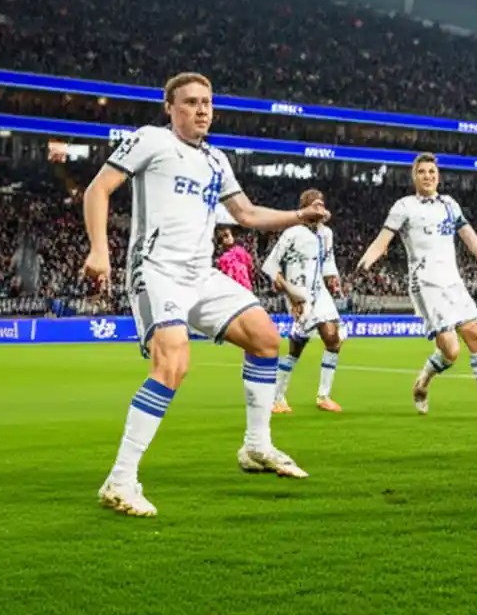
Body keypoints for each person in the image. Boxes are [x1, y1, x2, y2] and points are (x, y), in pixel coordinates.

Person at [83, 72, 326, 518]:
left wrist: (298, 216)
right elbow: (98, 189)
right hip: (157, 270)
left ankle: (256, 445)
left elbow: (245, 214)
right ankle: (120, 479)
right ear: (170, 108)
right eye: (191, 102)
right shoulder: (151, 140)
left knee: (265, 338)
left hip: (200, 274)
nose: (201, 110)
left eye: (207, 103)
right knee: (173, 363)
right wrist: (100, 250)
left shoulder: (216, 160)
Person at [357, 153, 477, 418]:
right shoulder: (404, 206)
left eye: (432, 172)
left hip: (453, 281)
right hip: (426, 284)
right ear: (414, 177)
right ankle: (424, 380)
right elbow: (382, 240)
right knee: (451, 351)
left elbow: (468, 235)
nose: (428, 176)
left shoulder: (449, 204)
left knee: (475, 335)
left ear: (438, 176)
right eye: (422, 172)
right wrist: (365, 262)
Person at [261, 189, 346, 414]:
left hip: (320, 293)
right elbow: (270, 265)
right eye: (315, 205)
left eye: (322, 204)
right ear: (305, 208)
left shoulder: (326, 234)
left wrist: (333, 279)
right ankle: (276, 397)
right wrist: (290, 294)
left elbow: (328, 262)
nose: (320, 208)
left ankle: (324, 396)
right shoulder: (292, 233)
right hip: (299, 294)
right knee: (296, 349)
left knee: (333, 339)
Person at [215, 226, 254, 291]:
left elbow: (249, 265)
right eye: (226, 236)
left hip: (244, 285)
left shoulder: (240, 251)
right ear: (221, 241)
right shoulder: (223, 259)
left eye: (230, 235)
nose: (229, 238)